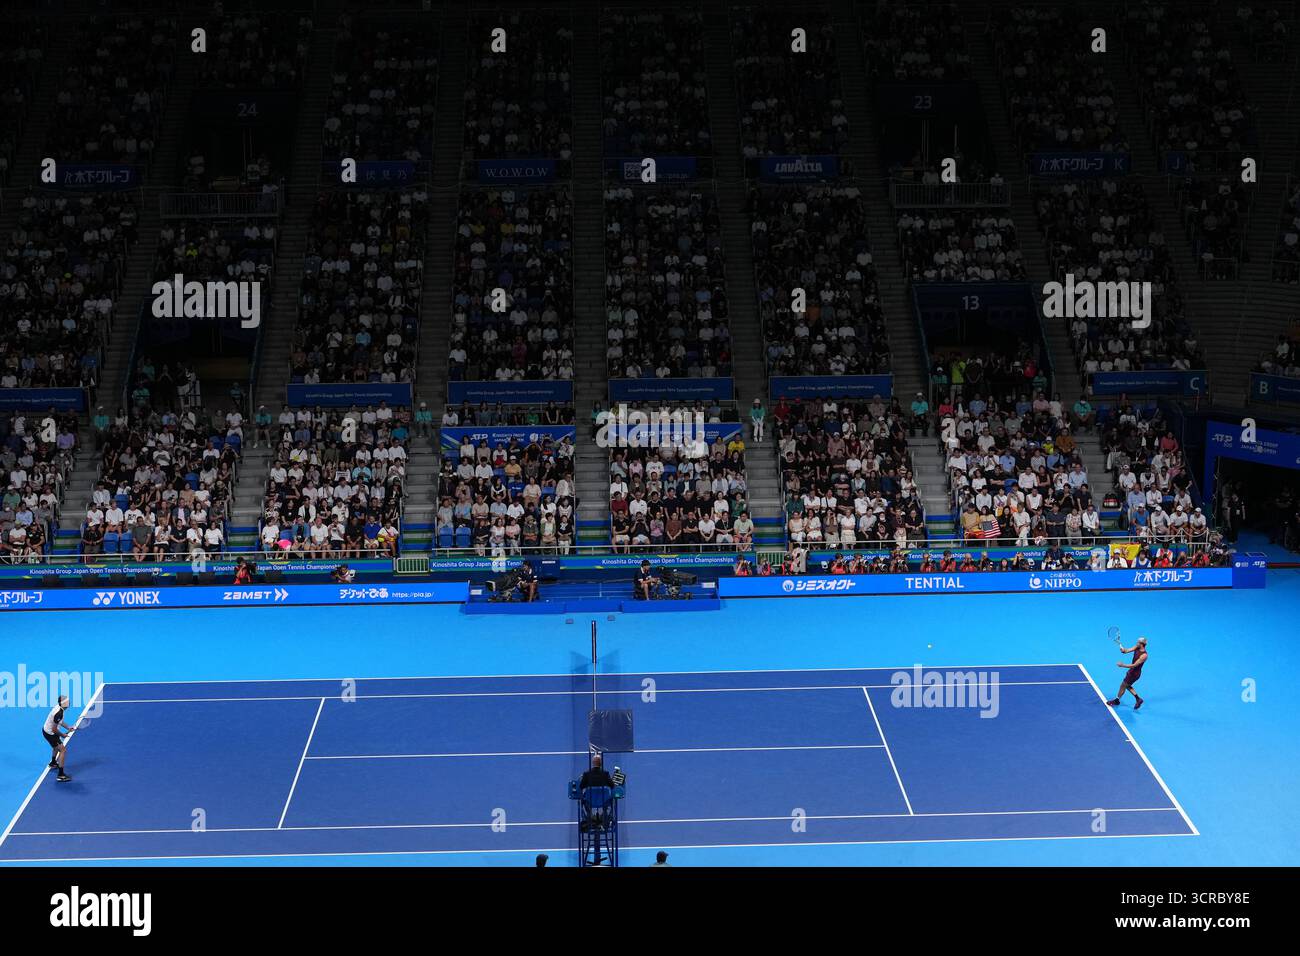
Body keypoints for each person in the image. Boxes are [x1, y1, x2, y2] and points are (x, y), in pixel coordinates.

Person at [1108, 636, 1147, 709]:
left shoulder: (1144, 655)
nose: (1136, 643)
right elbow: (1126, 651)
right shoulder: (1137, 647)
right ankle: (1138, 699)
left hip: (1135, 674)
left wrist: (1122, 665)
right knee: (1127, 685)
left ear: (1141, 644)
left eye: (1138, 642)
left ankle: (1117, 700)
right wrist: (1123, 649)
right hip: (1131, 672)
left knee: (1123, 685)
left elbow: (1134, 665)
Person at [43, 695, 74, 782]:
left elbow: (59, 721)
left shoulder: (59, 708)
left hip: (47, 730)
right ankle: (60, 775)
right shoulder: (59, 713)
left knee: (56, 747)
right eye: (67, 702)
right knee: (63, 750)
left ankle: (53, 763)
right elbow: (54, 729)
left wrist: (68, 727)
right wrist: (62, 735)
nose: (69, 703)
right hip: (50, 733)